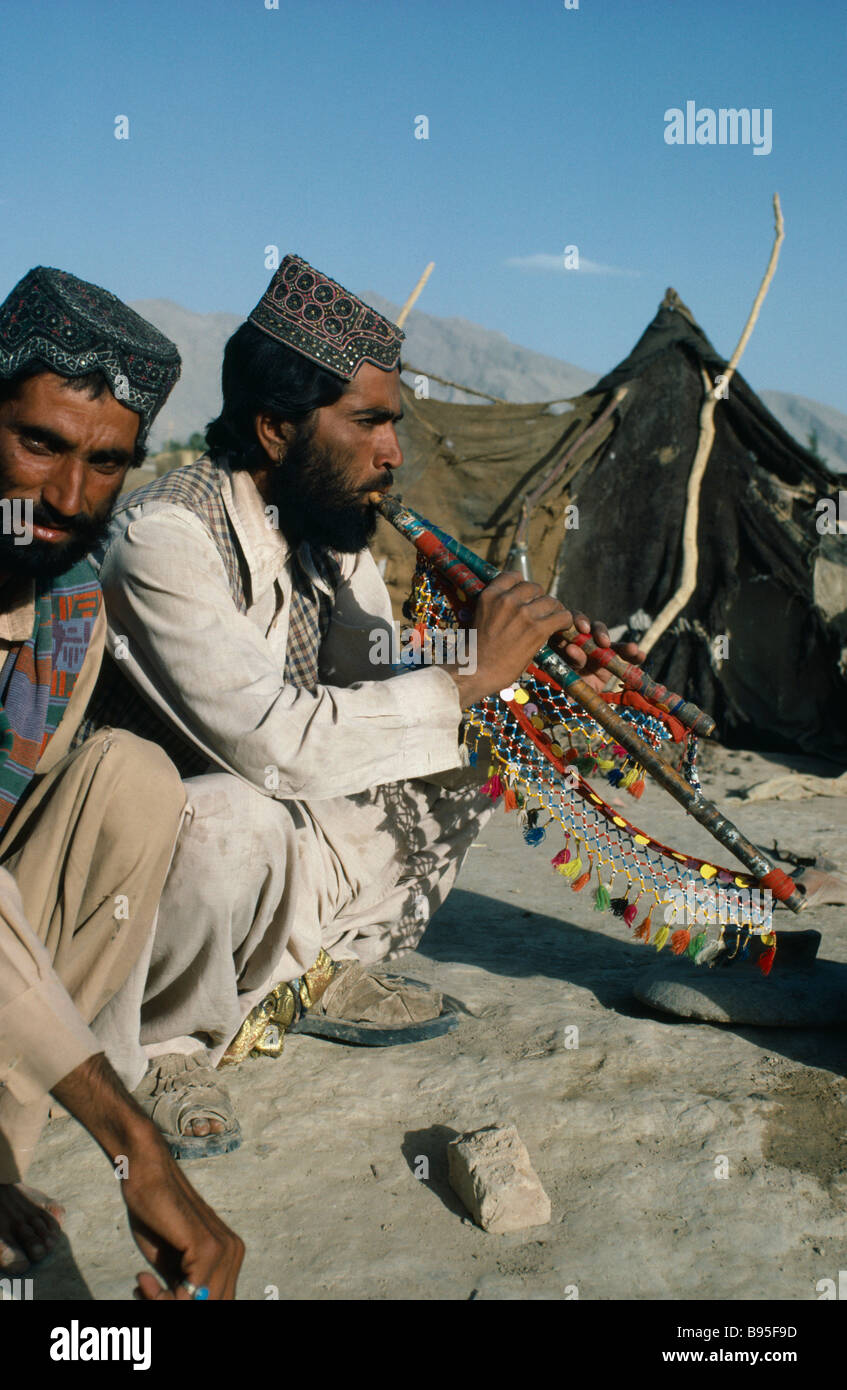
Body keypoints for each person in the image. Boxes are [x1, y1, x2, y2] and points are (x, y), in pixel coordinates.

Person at [86, 254, 642, 1114]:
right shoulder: (164, 537)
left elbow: (378, 676)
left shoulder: (326, 533)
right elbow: (273, 746)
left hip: (271, 831)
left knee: (467, 742)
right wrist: (466, 676)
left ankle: (320, 970)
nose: (393, 453)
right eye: (370, 424)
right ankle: (167, 1044)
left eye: (395, 425)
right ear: (276, 427)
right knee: (238, 817)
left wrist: (524, 664)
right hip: (156, 867)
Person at [0, 267, 243, 1297]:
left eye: (107, 463)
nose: (66, 498)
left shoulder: (66, 609)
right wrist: (132, 1139)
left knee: (137, 780)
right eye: (40, 443)